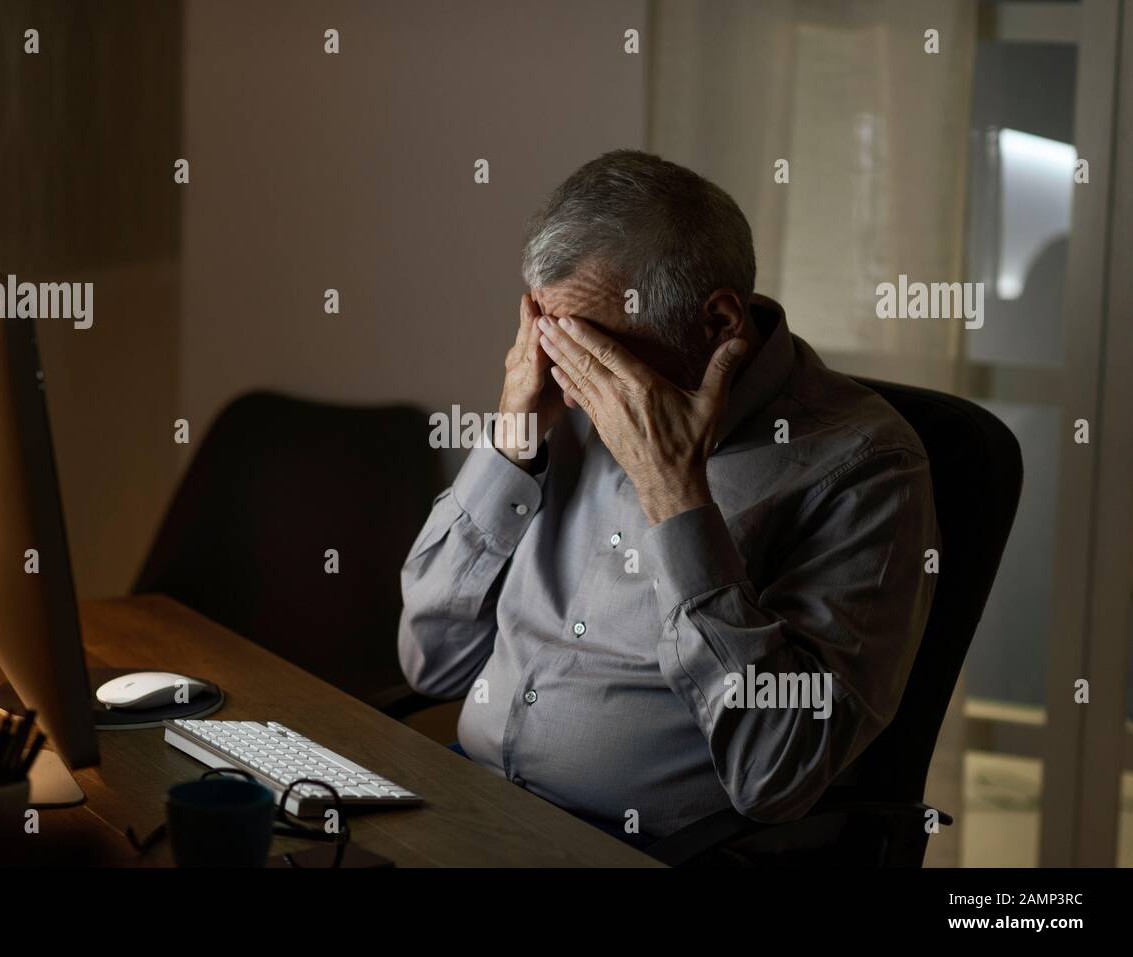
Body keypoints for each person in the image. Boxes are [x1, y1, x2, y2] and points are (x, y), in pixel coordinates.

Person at [398, 150, 938, 841]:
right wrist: (510, 444)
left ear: (717, 322)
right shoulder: (556, 401)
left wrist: (676, 497)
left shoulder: (868, 467)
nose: (567, 378)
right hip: (469, 801)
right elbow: (431, 661)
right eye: (549, 335)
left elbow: (779, 772)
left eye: (591, 346)